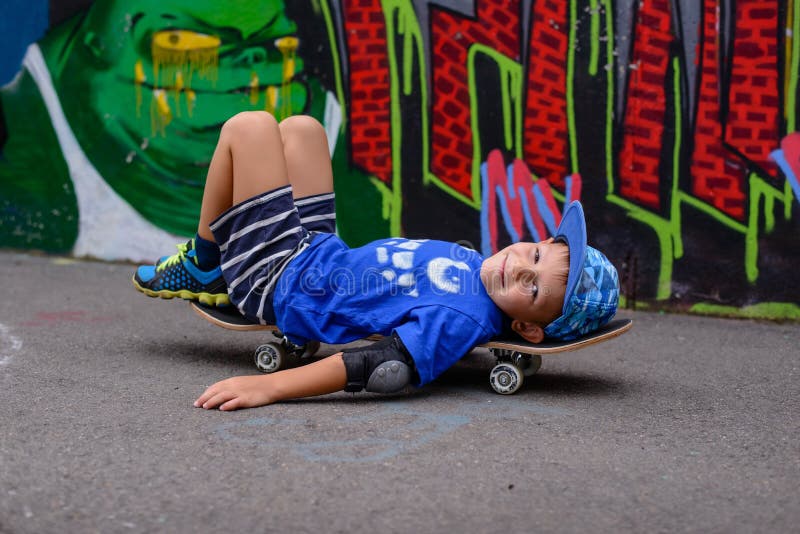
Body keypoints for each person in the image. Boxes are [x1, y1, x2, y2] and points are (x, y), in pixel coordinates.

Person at [132, 111, 619, 411]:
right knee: (303, 131)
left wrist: (272, 388)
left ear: (530, 330)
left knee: (248, 127)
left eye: (533, 288)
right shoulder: (479, 274)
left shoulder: (460, 317)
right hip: (319, 252)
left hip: (279, 279)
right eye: (534, 253)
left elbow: (381, 365)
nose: (519, 266)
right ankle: (213, 256)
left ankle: (205, 260)